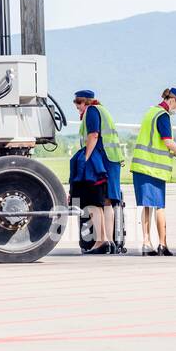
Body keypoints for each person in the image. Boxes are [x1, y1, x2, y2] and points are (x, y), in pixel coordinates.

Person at [130, 87, 176, 256]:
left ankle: (146, 242)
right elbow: (167, 142)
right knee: (159, 206)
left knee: (147, 206)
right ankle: (162, 244)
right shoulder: (163, 116)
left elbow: (156, 142)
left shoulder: (151, 112)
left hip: (141, 167)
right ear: (172, 100)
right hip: (153, 168)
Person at [74, 90, 122, 253]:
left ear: (85, 102)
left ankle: (100, 241)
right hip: (112, 160)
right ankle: (109, 242)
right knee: (107, 201)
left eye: (78, 103)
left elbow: (93, 135)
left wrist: (85, 158)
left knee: (93, 200)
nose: (77, 107)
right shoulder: (103, 109)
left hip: (101, 161)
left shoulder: (92, 111)